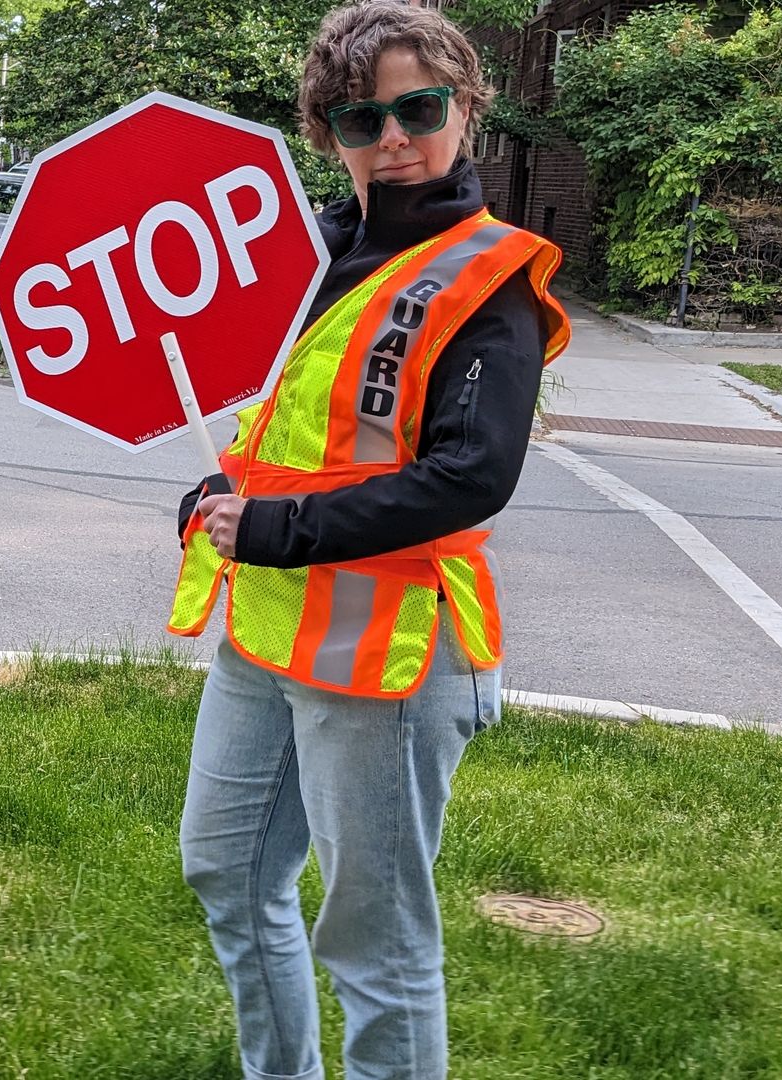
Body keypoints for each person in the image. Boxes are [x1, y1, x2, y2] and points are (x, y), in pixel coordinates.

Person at [168, 3, 572, 1078]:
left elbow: (469, 477)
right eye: (361, 118)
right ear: (328, 134)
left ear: (466, 109)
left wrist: (276, 527)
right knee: (224, 869)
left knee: (377, 944)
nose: (394, 136)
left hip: (390, 653)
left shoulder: (491, 279)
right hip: (269, 628)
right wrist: (221, 489)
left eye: (419, 108)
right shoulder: (305, 259)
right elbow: (290, 430)